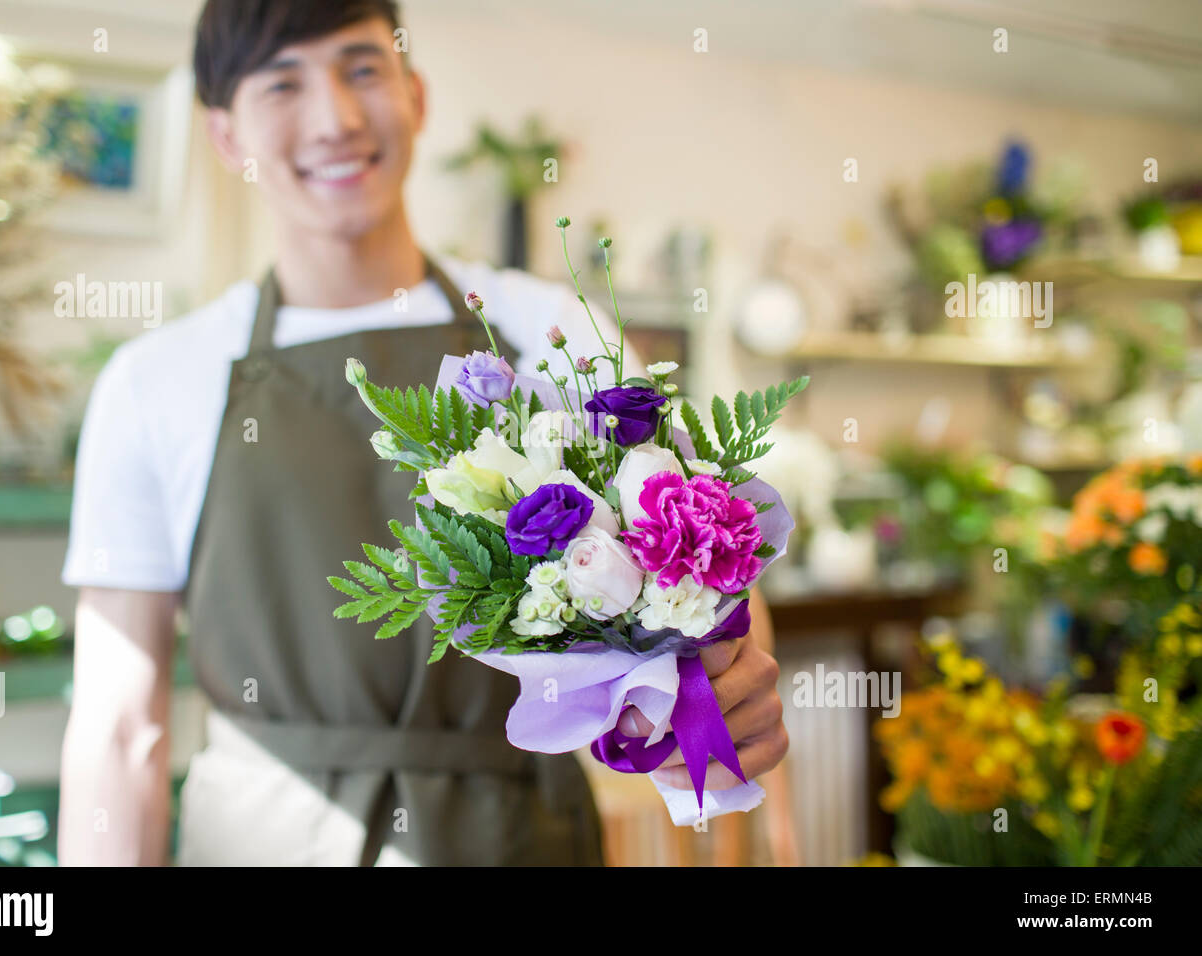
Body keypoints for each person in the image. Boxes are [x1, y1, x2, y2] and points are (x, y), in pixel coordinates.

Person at [56, 0, 788, 866]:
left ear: (417, 95)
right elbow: (116, 728)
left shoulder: (557, 333)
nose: (335, 117)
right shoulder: (155, 384)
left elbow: (711, 597)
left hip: (520, 839)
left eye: (362, 68)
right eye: (282, 83)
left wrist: (721, 696)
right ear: (225, 137)